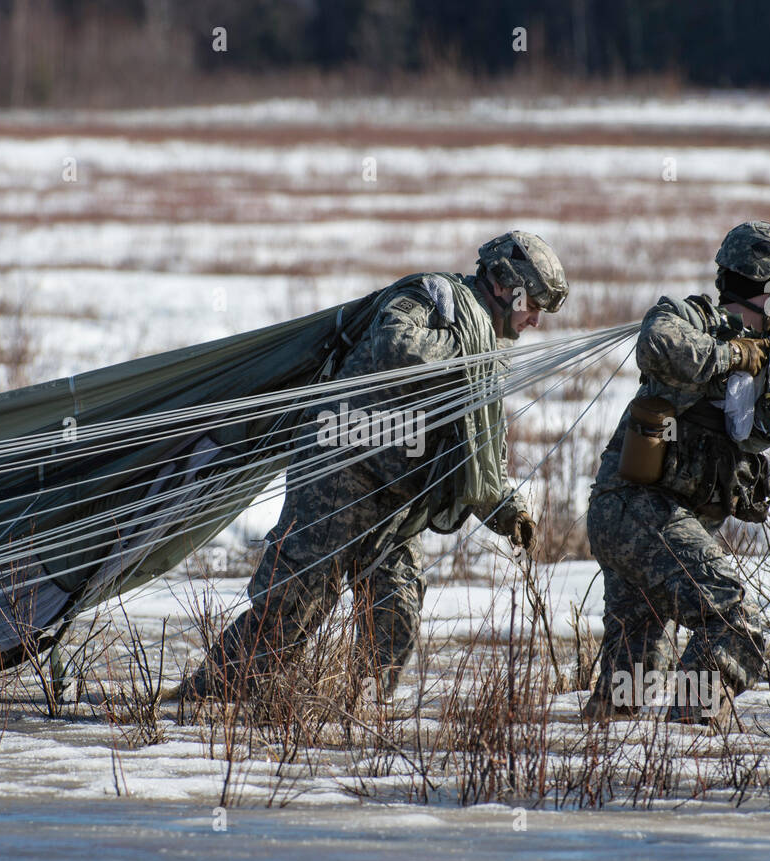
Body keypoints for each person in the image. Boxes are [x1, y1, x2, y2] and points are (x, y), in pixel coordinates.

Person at [164, 231, 569, 705]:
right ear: (505, 285)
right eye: (534, 303)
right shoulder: (433, 299)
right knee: (297, 598)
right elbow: (395, 347)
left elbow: (479, 449)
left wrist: (507, 510)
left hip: (399, 497)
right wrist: (463, 349)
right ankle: (212, 695)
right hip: (341, 468)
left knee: (395, 609)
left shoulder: (489, 351)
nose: (537, 320)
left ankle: (351, 710)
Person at [583, 221, 770, 726]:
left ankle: (596, 764)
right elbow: (658, 345)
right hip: (636, 510)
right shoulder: (688, 319)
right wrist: (732, 354)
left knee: (632, 677)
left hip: (656, 520)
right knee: (732, 620)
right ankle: (695, 735)